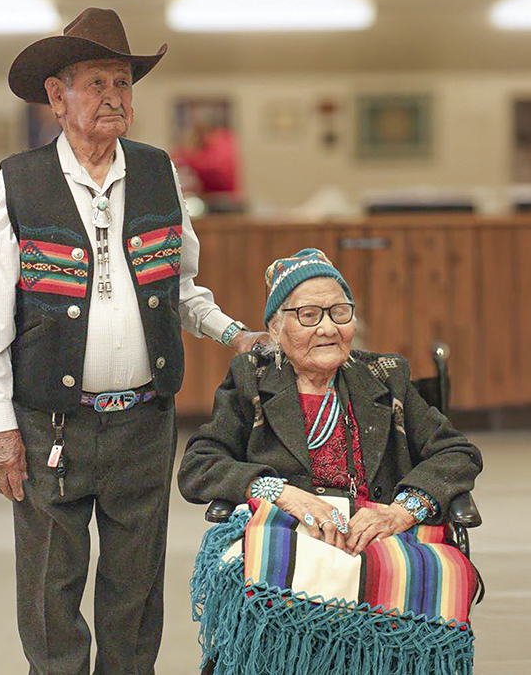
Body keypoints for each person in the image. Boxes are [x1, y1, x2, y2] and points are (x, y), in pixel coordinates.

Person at [0, 8, 263, 675]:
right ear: (57, 95)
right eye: (97, 82)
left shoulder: (160, 174)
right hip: (49, 426)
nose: (114, 98)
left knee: (135, 592)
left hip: (144, 420)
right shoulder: (21, 182)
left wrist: (234, 334)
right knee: (50, 589)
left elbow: (183, 288)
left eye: (123, 83)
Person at [178, 248, 484, 675]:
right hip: (292, 525)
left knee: (435, 572)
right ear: (276, 327)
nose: (327, 327)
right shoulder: (252, 376)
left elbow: (456, 452)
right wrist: (280, 493)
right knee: (267, 566)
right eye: (308, 315)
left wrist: (401, 511)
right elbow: (200, 464)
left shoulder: (384, 375)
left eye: (339, 312)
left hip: (375, 527)